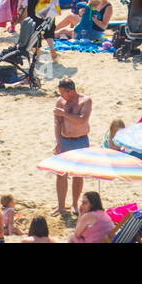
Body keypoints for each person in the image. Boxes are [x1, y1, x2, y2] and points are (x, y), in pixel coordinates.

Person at [52, 77, 91, 215]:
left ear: (71, 92)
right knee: (60, 174)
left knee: (77, 174)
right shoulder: (60, 101)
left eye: (63, 93)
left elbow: (82, 120)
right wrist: (57, 141)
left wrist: (64, 113)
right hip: (64, 139)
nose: (61, 96)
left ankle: (74, 203)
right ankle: (61, 206)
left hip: (80, 140)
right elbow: (57, 123)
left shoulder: (85, 101)